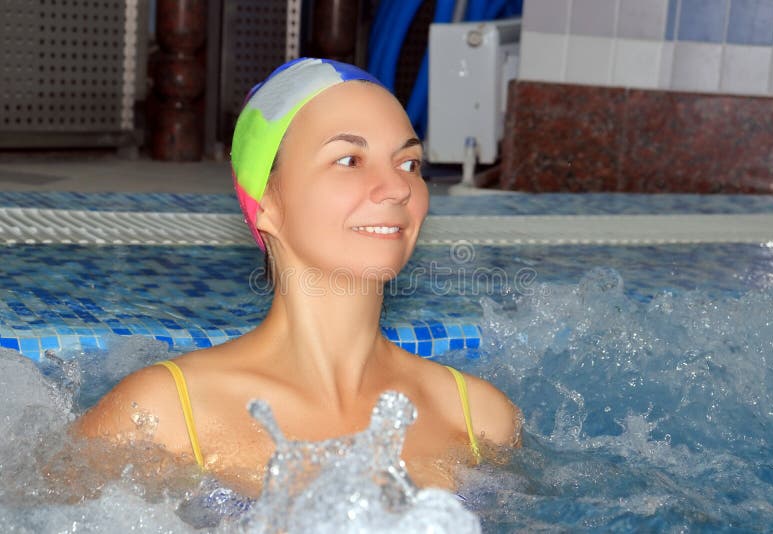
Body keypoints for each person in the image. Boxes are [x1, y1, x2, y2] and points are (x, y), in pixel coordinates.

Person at [77, 58, 520, 499]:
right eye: (350, 159)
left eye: (409, 164)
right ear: (265, 203)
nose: (398, 188)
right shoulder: (163, 415)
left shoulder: (479, 418)